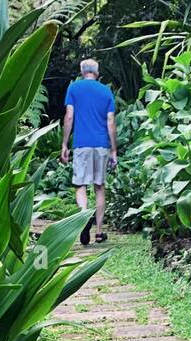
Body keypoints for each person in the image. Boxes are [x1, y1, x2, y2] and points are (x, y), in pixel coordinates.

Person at [61, 59, 118, 245]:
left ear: (81, 71)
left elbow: (69, 116)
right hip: (101, 144)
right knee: (99, 186)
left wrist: (64, 144)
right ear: (97, 72)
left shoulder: (74, 89)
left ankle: (84, 217)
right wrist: (114, 150)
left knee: (81, 185)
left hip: (81, 144)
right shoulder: (106, 91)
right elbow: (111, 122)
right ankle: (100, 232)